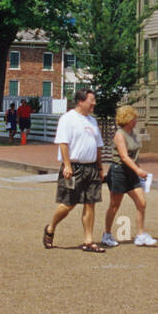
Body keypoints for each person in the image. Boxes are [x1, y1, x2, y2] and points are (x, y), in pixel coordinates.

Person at [44, 89, 106, 252]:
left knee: (90, 203)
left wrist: (100, 167)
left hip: (91, 168)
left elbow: (98, 146)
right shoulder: (68, 119)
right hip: (74, 168)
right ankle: (51, 228)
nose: (94, 103)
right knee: (69, 204)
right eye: (91, 100)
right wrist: (67, 165)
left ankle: (88, 240)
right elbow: (63, 143)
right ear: (81, 101)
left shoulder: (92, 121)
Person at [100, 105, 156, 248]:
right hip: (119, 172)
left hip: (132, 173)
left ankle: (141, 235)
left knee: (141, 202)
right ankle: (106, 234)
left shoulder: (133, 134)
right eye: (134, 118)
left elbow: (133, 155)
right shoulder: (120, 134)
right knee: (114, 205)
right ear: (127, 119)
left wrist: (137, 170)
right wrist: (138, 170)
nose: (136, 120)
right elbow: (124, 157)